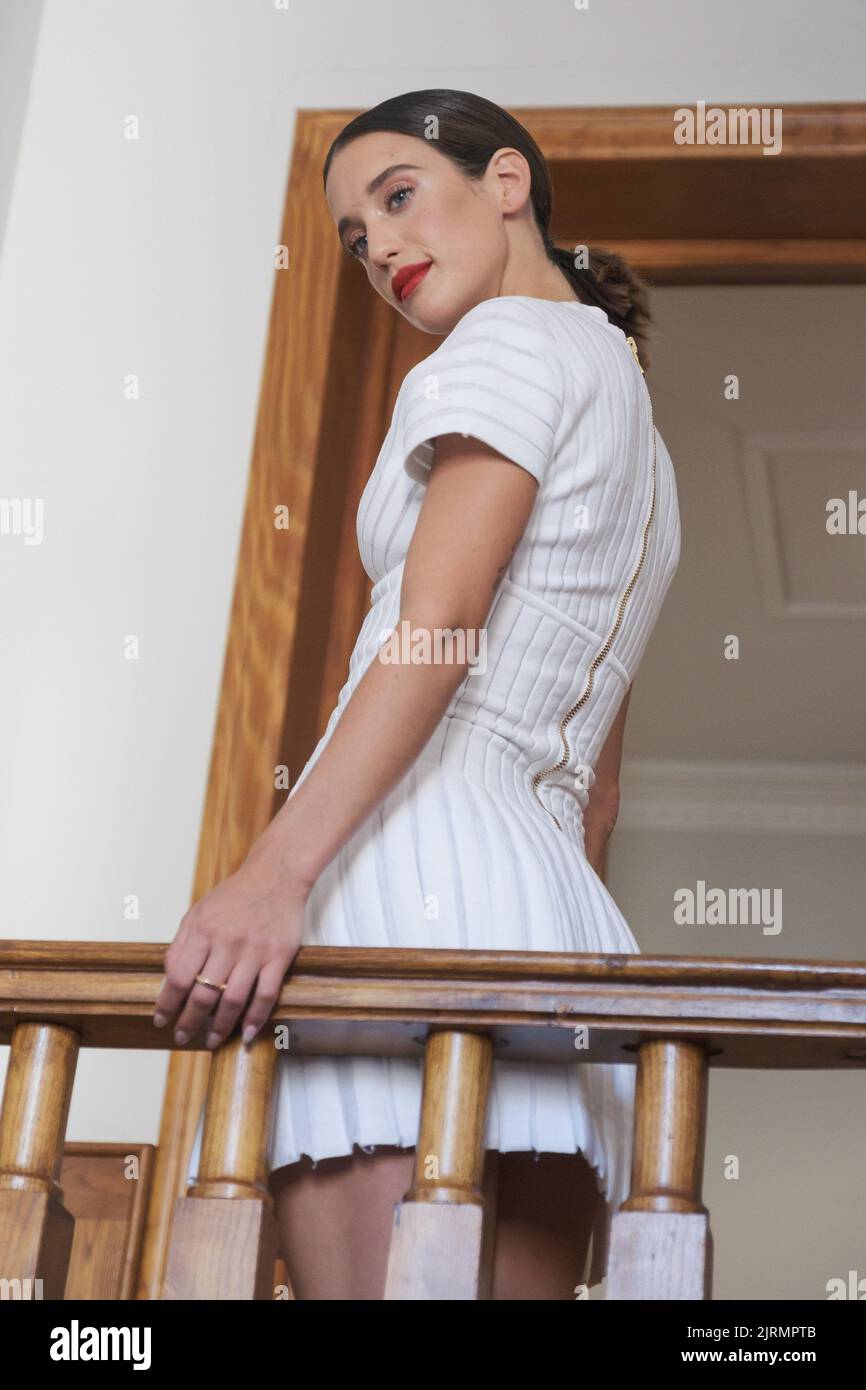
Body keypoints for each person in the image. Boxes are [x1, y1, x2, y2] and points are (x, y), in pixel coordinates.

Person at [156, 88, 681, 1299]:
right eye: (351, 236)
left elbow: (435, 631)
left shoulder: (498, 345)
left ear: (505, 183)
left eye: (396, 197)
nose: (378, 248)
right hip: (556, 927)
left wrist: (271, 877)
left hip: (413, 878)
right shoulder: (643, 440)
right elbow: (598, 787)